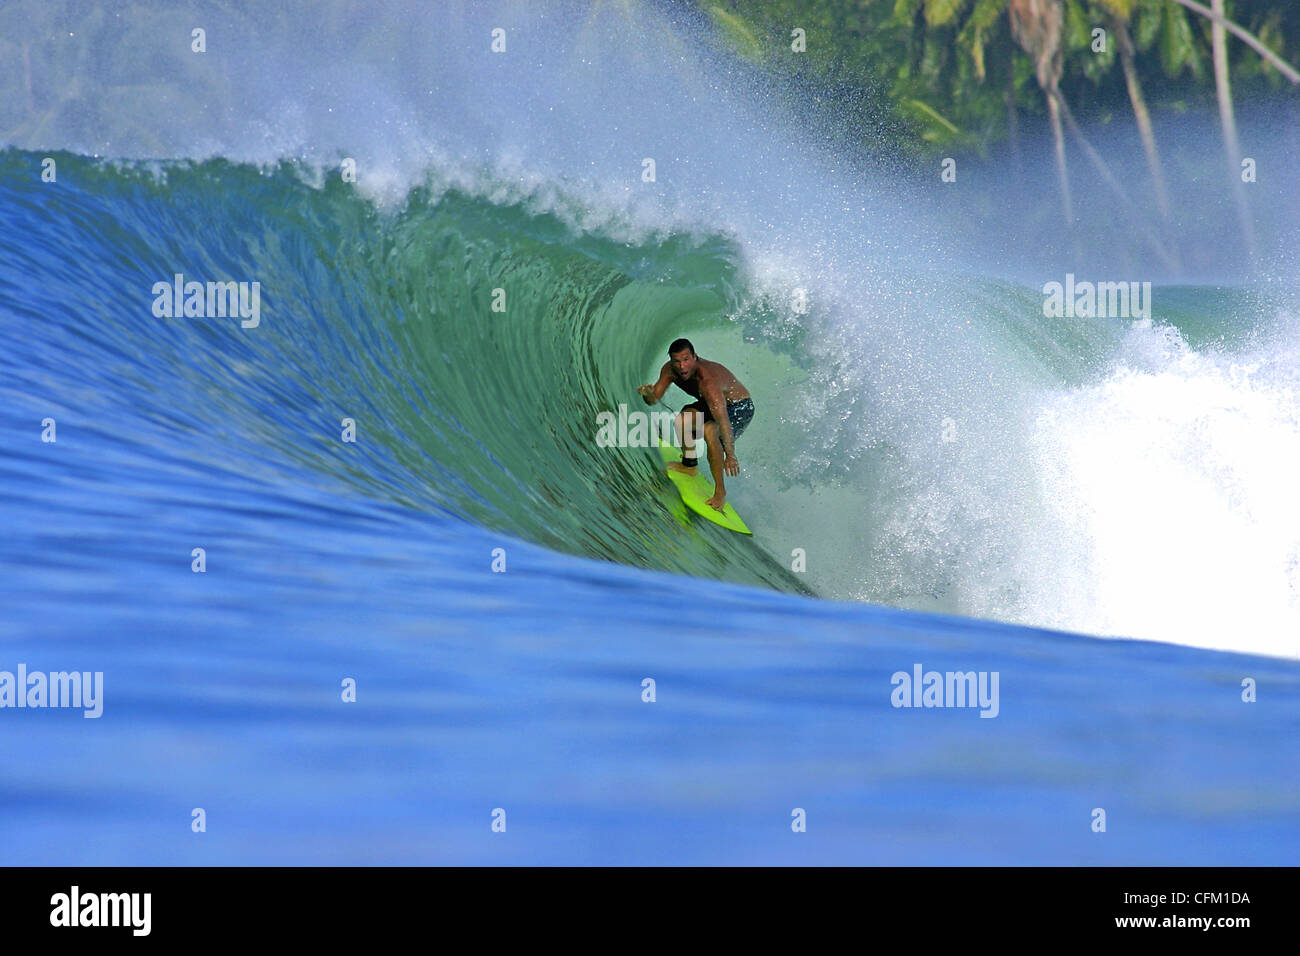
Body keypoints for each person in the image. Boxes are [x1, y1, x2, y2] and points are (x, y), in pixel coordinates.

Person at [637, 338, 754, 511]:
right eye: (677, 361)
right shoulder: (669, 371)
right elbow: (654, 399)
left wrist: (730, 455)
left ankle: (720, 492)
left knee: (710, 431)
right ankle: (689, 466)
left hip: (739, 407)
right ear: (671, 361)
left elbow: (722, 420)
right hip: (712, 403)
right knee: (682, 420)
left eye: (686, 360)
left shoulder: (708, 382)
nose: (682, 366)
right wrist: (647, 394)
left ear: (694, 357)